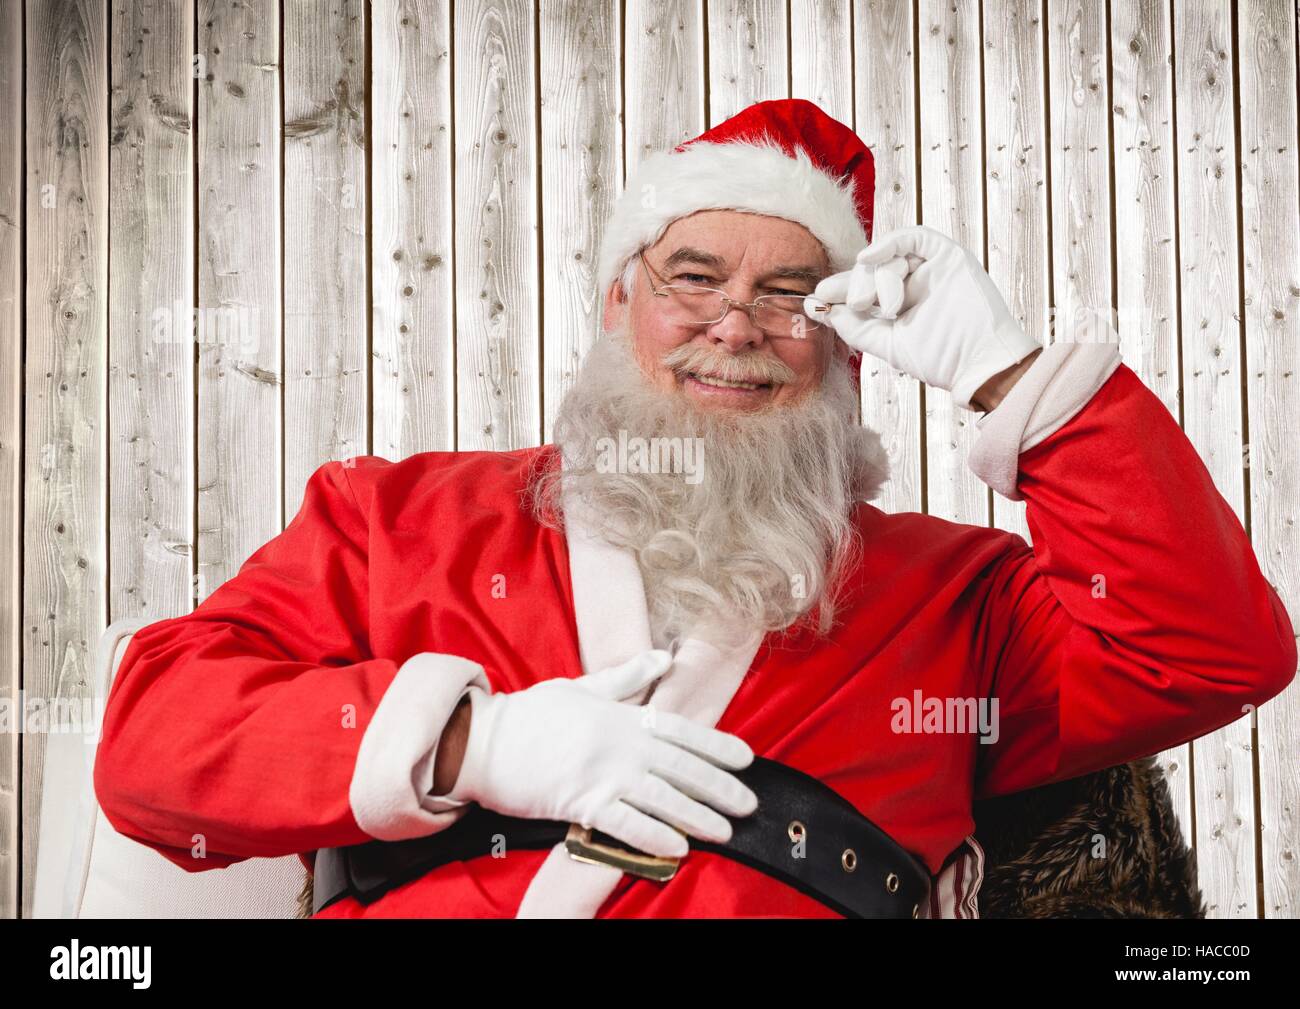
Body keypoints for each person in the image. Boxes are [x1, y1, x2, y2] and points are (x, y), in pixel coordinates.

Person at [93, 98, 1297, 919]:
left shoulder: (954, 595)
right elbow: (154, 746)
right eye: (694, 279)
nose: (738, 327)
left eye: (792, 295)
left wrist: (1013, 378)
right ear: (621, 301)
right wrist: (481, 744)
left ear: (845, 349)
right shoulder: (397, 515)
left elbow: (1209, 649)